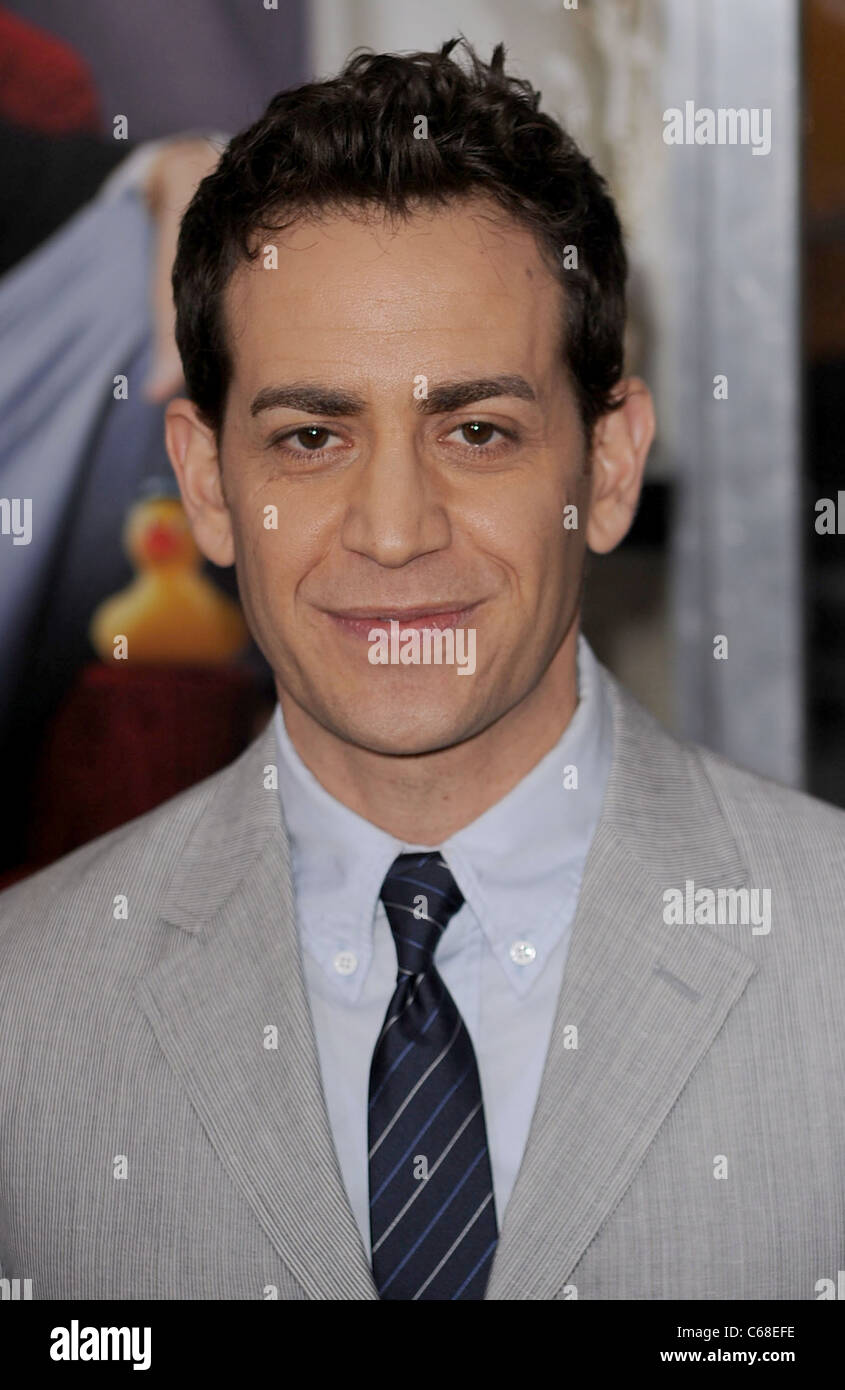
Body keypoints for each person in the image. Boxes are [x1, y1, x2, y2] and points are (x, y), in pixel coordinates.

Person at [1, 38, 843, 1302]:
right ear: (203, 484)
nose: (393, 530)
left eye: (477, 429)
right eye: (309, 435)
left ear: (606, 470)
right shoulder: (25, 1009)